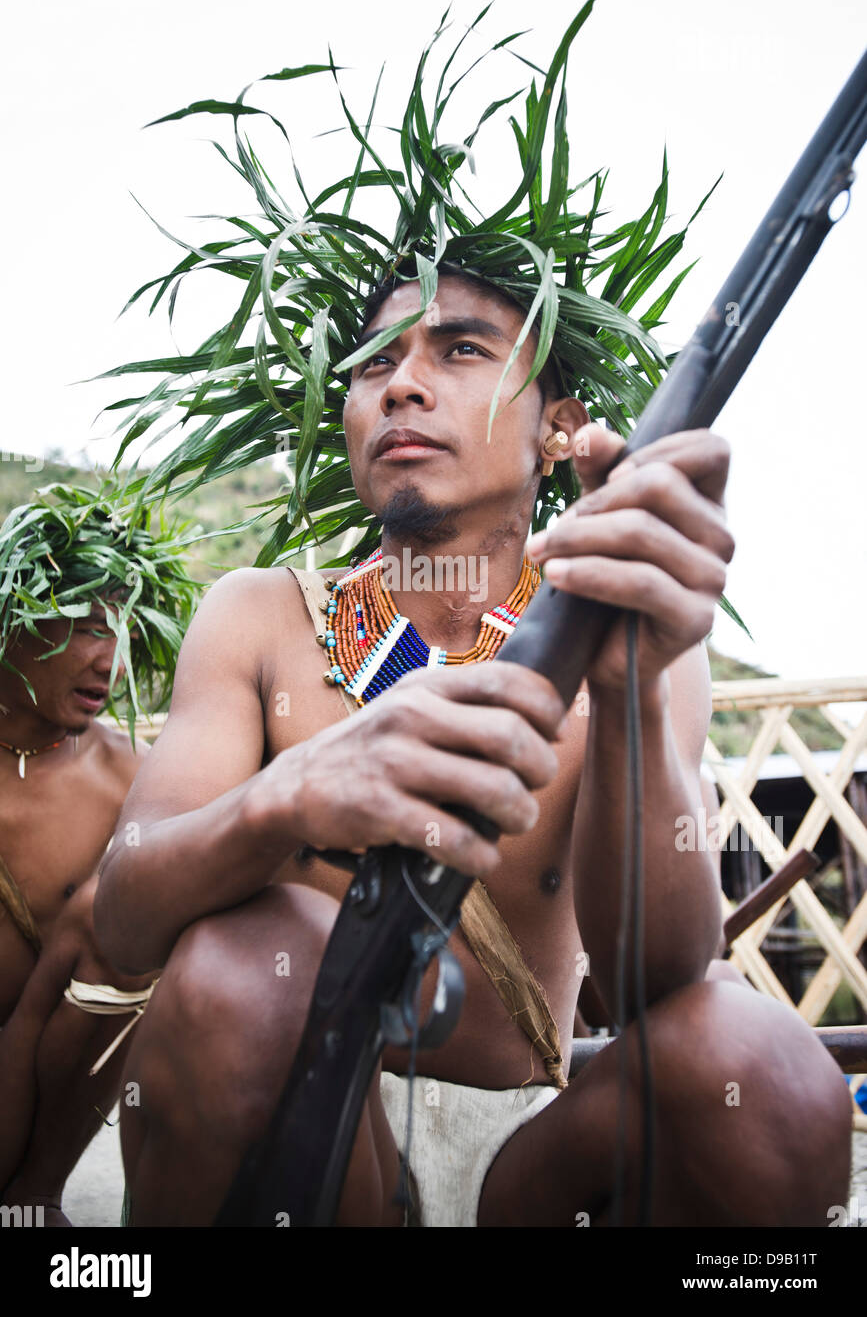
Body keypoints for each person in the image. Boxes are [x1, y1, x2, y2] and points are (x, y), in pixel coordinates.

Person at [95, 269, 851, 1226]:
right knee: (252, 960)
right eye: (376, 363)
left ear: (558, 429)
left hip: (524, 1163)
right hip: (301, 1135)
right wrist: (286, 797)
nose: (401, 384)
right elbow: (122, 915)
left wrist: (624, 696)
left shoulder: (634, 632)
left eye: (460, 349)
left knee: (756, 1064)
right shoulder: (257, 615)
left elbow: (653, 986)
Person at [0, 483, 200, 1224]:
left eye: (120, 630)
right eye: (85, 626)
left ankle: (34, 1198)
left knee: (129, 920)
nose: (107, 662)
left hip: (52, 1081)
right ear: (13, 618)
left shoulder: (132, 779)